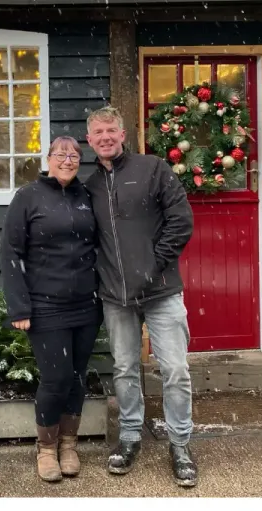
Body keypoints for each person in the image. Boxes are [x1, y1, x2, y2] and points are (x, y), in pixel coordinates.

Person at [83, 105, 197, 487]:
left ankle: (180, 443)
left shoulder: (153, 169)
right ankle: (130, 436)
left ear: (122, 133)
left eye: (110, 130)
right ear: (89, 140)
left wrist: (154, 265)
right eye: (97, 132)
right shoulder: (90, 187)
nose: (105, 137)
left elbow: (181, 220)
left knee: (175, 370)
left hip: (162, 291)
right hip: (116, 296)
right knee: (125, 369)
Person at [1, 136, 101, 482]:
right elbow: (11, 253)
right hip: (45, 305)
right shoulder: (28, 197)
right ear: (48, 158)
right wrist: (19, 306)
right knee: (56, 377)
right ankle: (46, 448)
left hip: (86, 305)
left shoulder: (87, 196)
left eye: (74, 155)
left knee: (76, 376)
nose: (68, 160)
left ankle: (69, 445)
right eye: (61, 154)